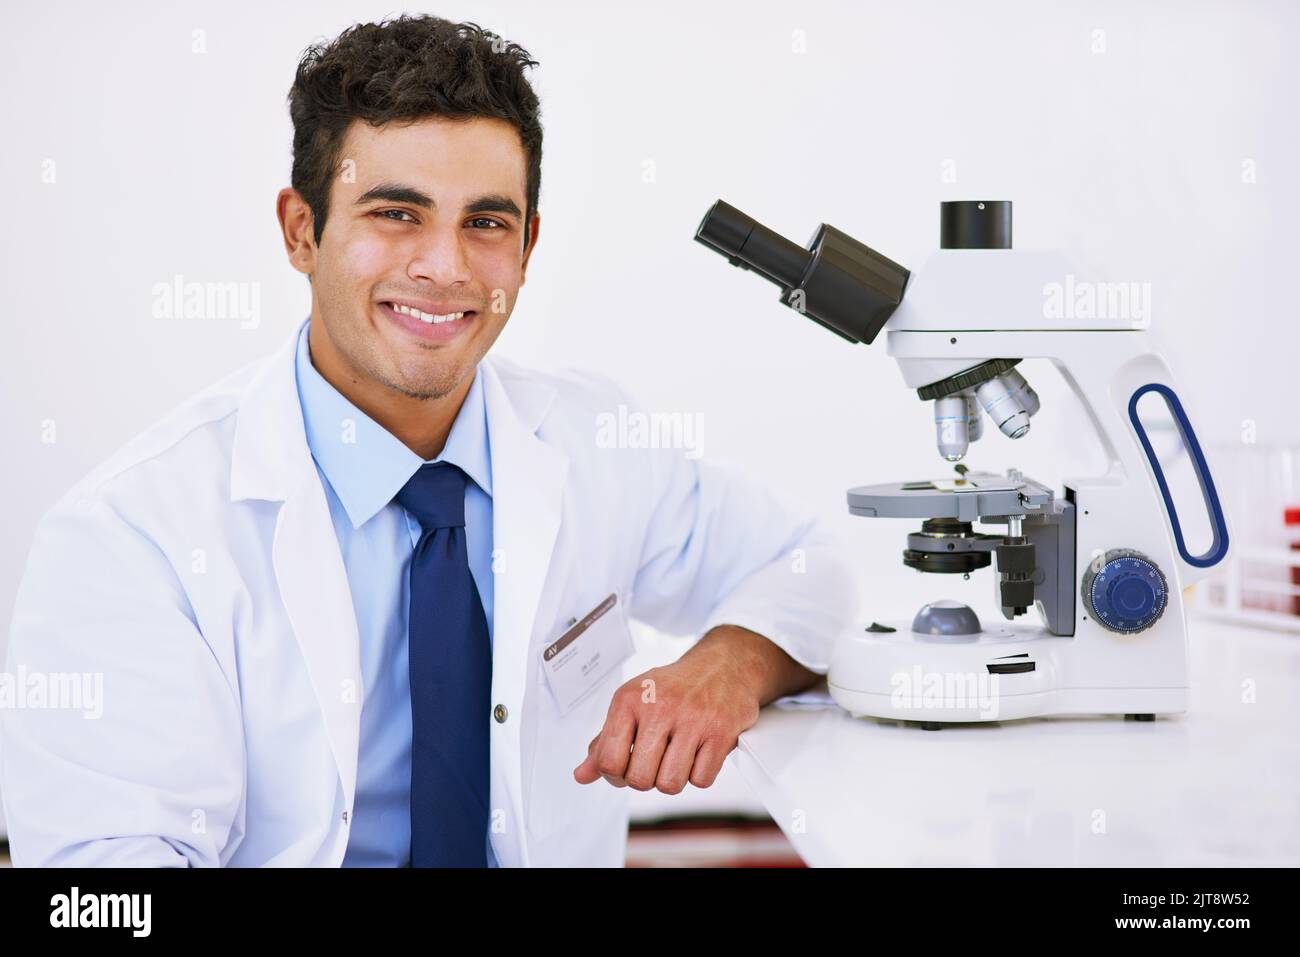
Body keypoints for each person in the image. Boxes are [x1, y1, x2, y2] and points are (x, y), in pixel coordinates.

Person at [0, 14, 856, 867]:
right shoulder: (132, 535)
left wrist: (726, 667)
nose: (445, 267)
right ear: (302, 231)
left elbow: (809, 570)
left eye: (485, 223)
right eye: (397, 213)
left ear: (527, 245)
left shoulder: (594, 441)